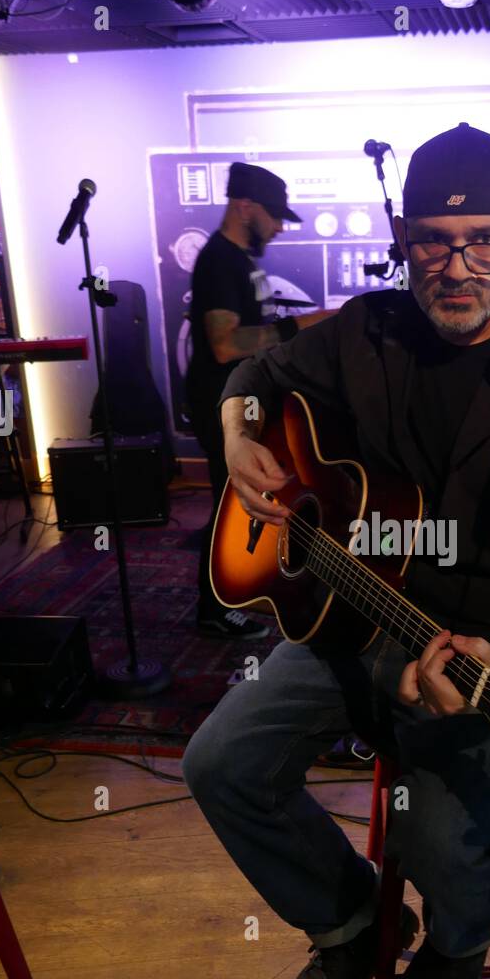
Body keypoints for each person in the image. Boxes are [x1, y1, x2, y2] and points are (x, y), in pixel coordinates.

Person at [183, 123, 490, 979]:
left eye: (483, 241)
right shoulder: (369, 329)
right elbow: (256, 370)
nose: (456, 265)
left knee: (430, 826)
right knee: (219, 763)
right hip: (344, 620)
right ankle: (352, 922)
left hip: (478, 652)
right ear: (403, 240)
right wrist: (235, 437)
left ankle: (461, 941)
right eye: (432, 238)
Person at [184, 161, 331, 637]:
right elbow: (225, 344)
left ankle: (239, 586)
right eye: (274, 215)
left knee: (244, 497)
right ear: (244, 207)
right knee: (229, 502)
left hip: (243, 400)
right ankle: (214, 605)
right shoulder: (218, 261)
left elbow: (262, 332)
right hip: (219, 403)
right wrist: (308, 323)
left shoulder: (243, 262)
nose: (280, 226)